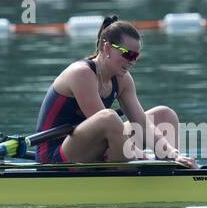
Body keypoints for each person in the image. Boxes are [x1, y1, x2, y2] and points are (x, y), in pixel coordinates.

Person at [34, 15, 196, 168]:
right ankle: (137, 170)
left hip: (92, 147)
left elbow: (141, 122)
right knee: (108, 117)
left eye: (136, 56)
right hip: (55, 156)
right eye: (128, 54)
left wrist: (172, 154)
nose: (132, 62)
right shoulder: (81, 74)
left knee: (164, 115)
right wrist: (147, 157)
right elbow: (104, 123)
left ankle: (172, 173)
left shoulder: (123, 79)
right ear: (107, 48)